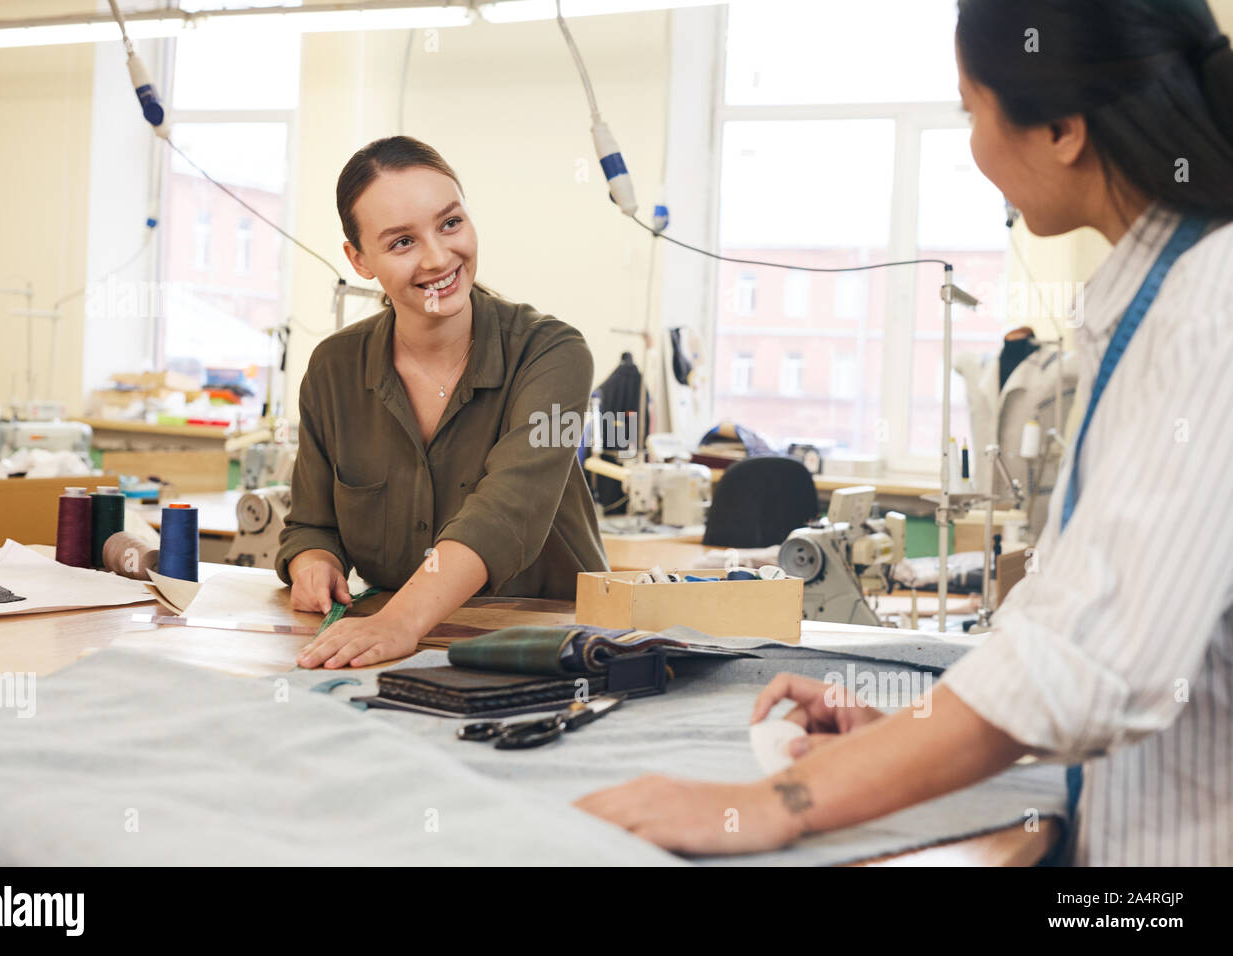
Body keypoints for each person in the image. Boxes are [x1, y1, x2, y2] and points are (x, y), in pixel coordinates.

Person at [577, 0, 1233, 865]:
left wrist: (778, 801)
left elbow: (1093, 664)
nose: (975, 149)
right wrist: (899, 740)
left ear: (1062, 130)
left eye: (971, 111)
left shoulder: (1209, 310)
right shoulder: (1158, 299)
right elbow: (1086, 628)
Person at [277, 136, 607, 670]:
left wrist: (400, 622)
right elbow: (311, 524)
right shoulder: (334, 367)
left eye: (450, 223)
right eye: (402, 242)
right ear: (359, 259)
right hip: (391, 650)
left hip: (548, 647)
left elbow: (505, 513)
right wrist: (313, 562)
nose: (437, 257)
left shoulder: (552, 353)